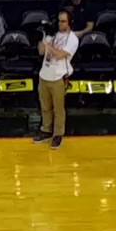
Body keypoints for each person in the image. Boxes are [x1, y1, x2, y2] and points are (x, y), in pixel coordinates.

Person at [33, 9, 77, 150]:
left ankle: (58, 134)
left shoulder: (72, 39)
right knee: (45, 106)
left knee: (58, 109)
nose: (60, 23)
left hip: (58, 76)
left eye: (63, 21)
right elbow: (41, 52)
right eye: (59, 20)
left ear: (70, 23)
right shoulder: (52, 34)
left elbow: (59, 55)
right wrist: (41, 37)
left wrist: (48, 44)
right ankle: (46, 129)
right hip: (44, 74)